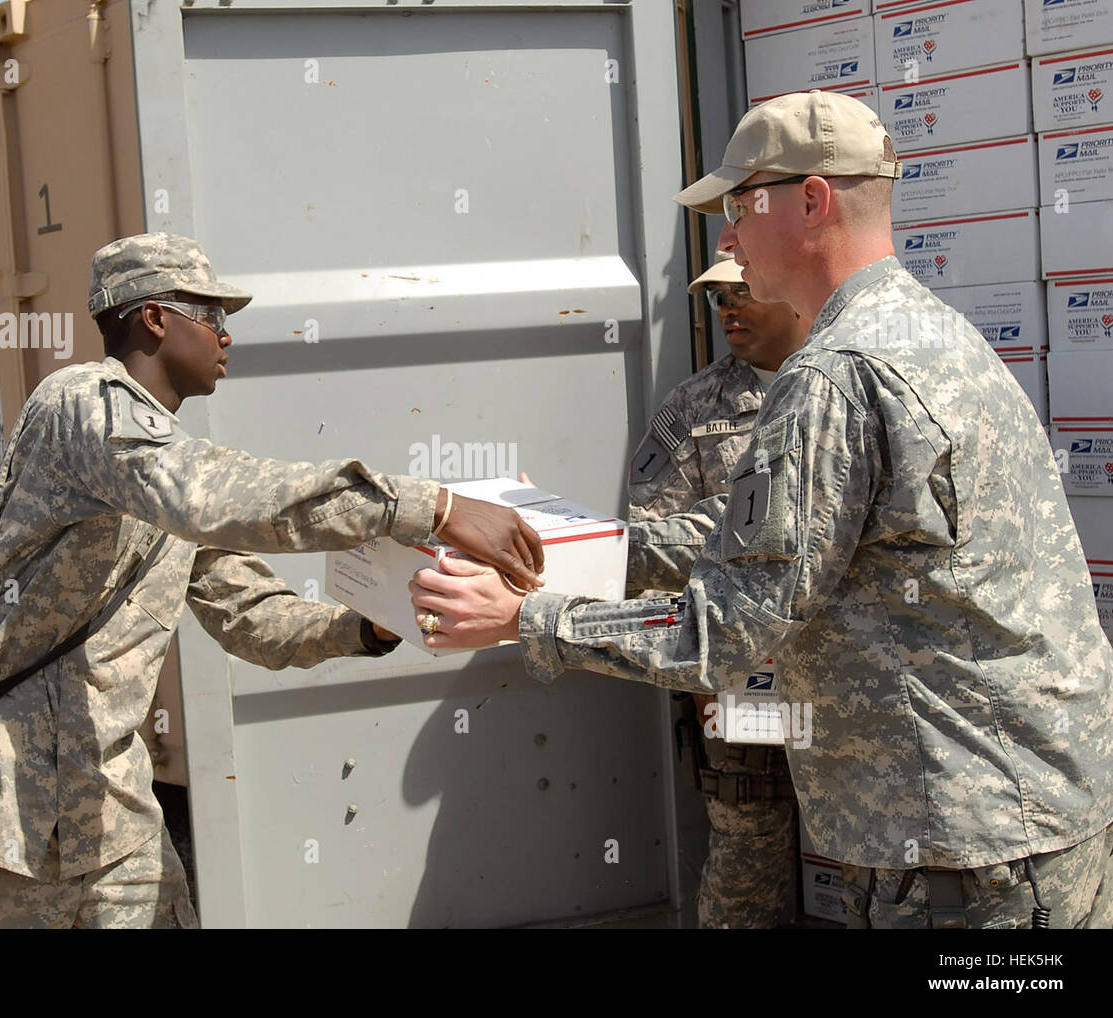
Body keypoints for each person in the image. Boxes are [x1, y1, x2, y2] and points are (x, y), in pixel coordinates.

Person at [409, 91, 1113, 929]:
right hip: (1031, 813)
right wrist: (587, 546)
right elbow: (770, 529)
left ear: (811, 200)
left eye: (740, 206)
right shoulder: (932, 336)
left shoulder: (832, 376)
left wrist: (528, 618)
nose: (729, 240)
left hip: (961, 850)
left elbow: (724, 633)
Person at [0, 232, 542, 929]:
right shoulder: (80, 405)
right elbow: (209, 496)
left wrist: (369, 627)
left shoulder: (162, 465)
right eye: (213, 316)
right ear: (154, 319)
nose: (227, 337)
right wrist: (431, 506)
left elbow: (251, 616)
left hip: (111, 821)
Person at [629, 250, 809, 928]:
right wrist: (702, 674)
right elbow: (653, 542)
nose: (729, 309)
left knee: (872, 843)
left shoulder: (845, 383)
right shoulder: (694, 406)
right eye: (717, 299)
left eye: (743, 292)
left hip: (846, 672)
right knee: (747, 845)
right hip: (744, 673)